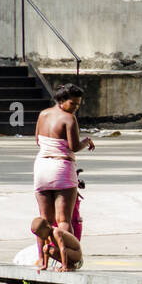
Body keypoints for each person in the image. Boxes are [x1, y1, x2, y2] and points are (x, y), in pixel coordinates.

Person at [33, 83, 93, 238]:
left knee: (44, 221)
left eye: (78, 104)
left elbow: (38, 140)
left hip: (41, 168)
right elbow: (73, 147)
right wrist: (86, 141)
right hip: (61, 168)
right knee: (63, 220)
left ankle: (42, 258)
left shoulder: (43, 114)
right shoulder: (69, 119)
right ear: (61, 100)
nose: (75, 108)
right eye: (72, 103)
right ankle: (69, 260)